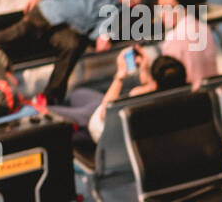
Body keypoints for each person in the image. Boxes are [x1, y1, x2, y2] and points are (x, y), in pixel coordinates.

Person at [0, 0, 165, 103]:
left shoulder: (124, 9)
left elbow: (100, 28)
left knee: (73, 45)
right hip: (52, 11)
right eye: (136, 0)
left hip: (69, 30)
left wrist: (103, 35)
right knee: (10, 37)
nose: (133, 5)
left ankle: (49, 99)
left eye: (137, 5)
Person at [52, 46, 188, 143]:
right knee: (78, 94)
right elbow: (151, 84)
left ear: (155, 83)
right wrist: (145, 68)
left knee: (49, 114)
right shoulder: (177, 98)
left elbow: (104, 114)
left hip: (99, 123)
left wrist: (120, 75)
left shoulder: (138, 98)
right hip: (104, 110)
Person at [158, 0, 219, 87]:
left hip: (190, 94)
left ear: (185, 7)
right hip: (212, 86)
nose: (163, 14)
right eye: (161, 8)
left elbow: (170, 79)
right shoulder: (204, 28)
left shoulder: (173, 38)